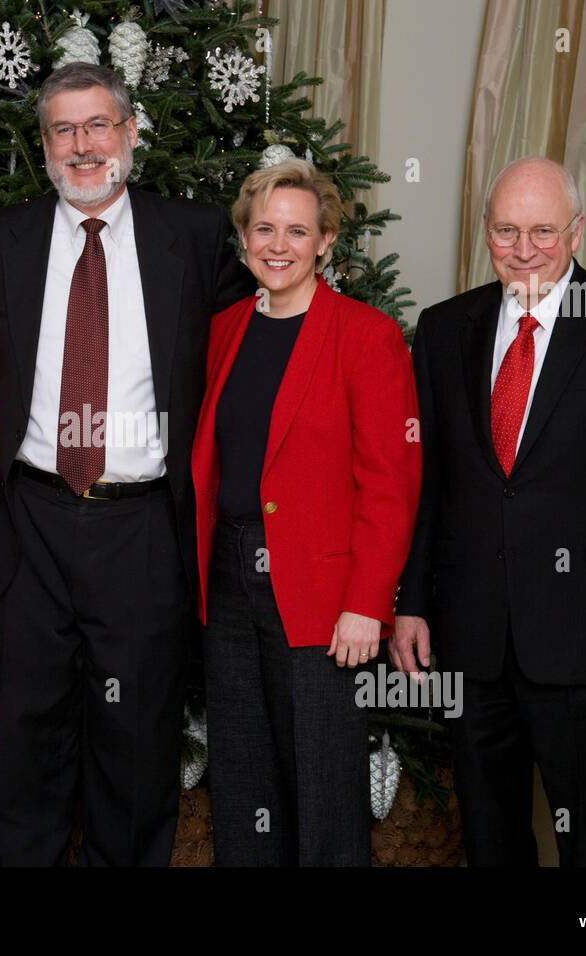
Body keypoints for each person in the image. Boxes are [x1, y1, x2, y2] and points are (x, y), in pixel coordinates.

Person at [0, 63, 253, 866]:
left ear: (130, 134)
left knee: (133, 740)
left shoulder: (194, 237)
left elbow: (263, 331)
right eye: (64, 130)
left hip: (141, 525)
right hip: (29, 520)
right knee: (27, 735)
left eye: (99, 126)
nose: (83, 145)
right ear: (44, 146)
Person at [391, 157, 586, 866]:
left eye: (542, 231)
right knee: (491, 831)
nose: (524, 249)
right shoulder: (444, 329)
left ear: (578, 230)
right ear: (486, 231)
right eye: (506, 230)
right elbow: (429, 480)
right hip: (472, 633)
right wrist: (411, 601)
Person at [190, 160, 421, 865]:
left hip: (323, 597)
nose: (278, 244)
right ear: (244, 237)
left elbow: (392, 482)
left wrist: (366, 604)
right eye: (264, 228)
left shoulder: (365, 335)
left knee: (322, 788)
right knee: (242, 778)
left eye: (297, 230)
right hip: (230, 582)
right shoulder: (225, 329)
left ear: (325, 241)